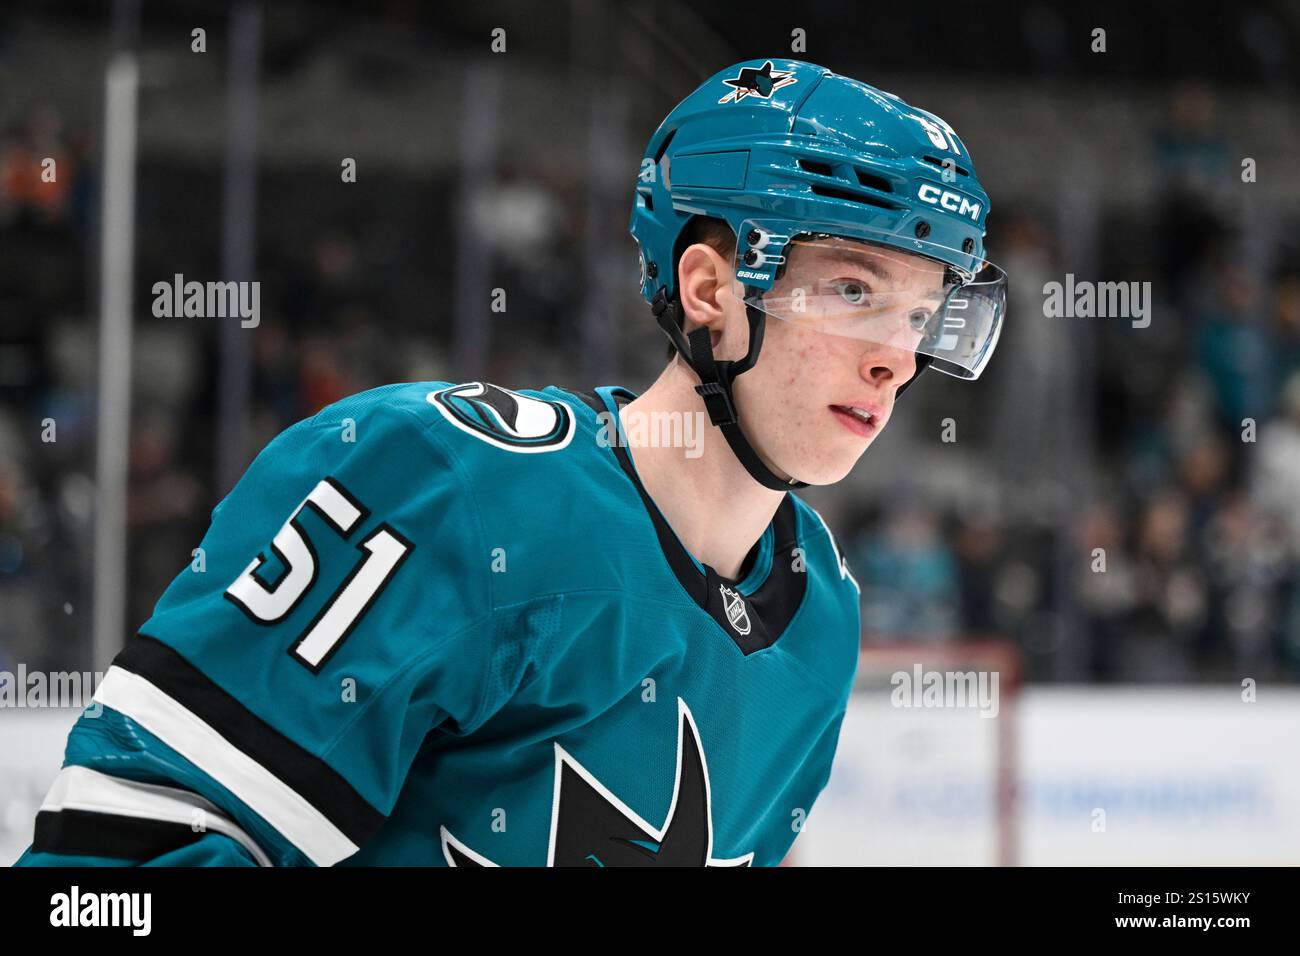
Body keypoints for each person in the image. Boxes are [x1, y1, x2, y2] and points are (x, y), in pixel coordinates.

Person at [16, 58, 1004, 867]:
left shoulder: (819, 612)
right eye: (850, 290)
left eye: (921, 315)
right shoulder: (445, 483)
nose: (896, 354)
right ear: (710, 287)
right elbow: (111, 874)